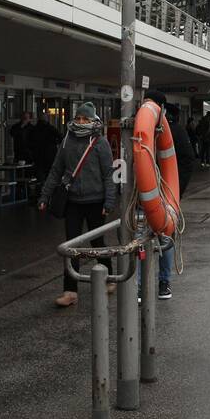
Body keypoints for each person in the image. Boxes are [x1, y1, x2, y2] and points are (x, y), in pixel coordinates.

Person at [39, 102, 117, 308]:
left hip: (96, 201)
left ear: (93, 121)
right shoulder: (67, 141)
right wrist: (44, 196)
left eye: (86, 119)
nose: (81, 122)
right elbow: (56, 170)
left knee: (97, 242)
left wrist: (109, 201)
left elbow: (108, 174)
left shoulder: (100, 143)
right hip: (72, 201)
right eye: (79, 118)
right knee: (71, 245)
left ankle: (109, 277)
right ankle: (70, 291)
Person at [140, 90, 194, 300]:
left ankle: (164, 282)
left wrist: (175, 193)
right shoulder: (136, 130)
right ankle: (139, 286)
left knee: (165, 236)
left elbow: (187, 160)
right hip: (140, 198)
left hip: (165, 195)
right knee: (139, 240)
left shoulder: (173, 131)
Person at [30, 113, 59, 188]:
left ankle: (40, 191)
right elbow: (61, 137)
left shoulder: (34, 129)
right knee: (49, 175)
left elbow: (30, 142)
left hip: (38, 156)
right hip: (50, 155)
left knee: (40, 176)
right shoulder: (51, 128)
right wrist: (54, 143)